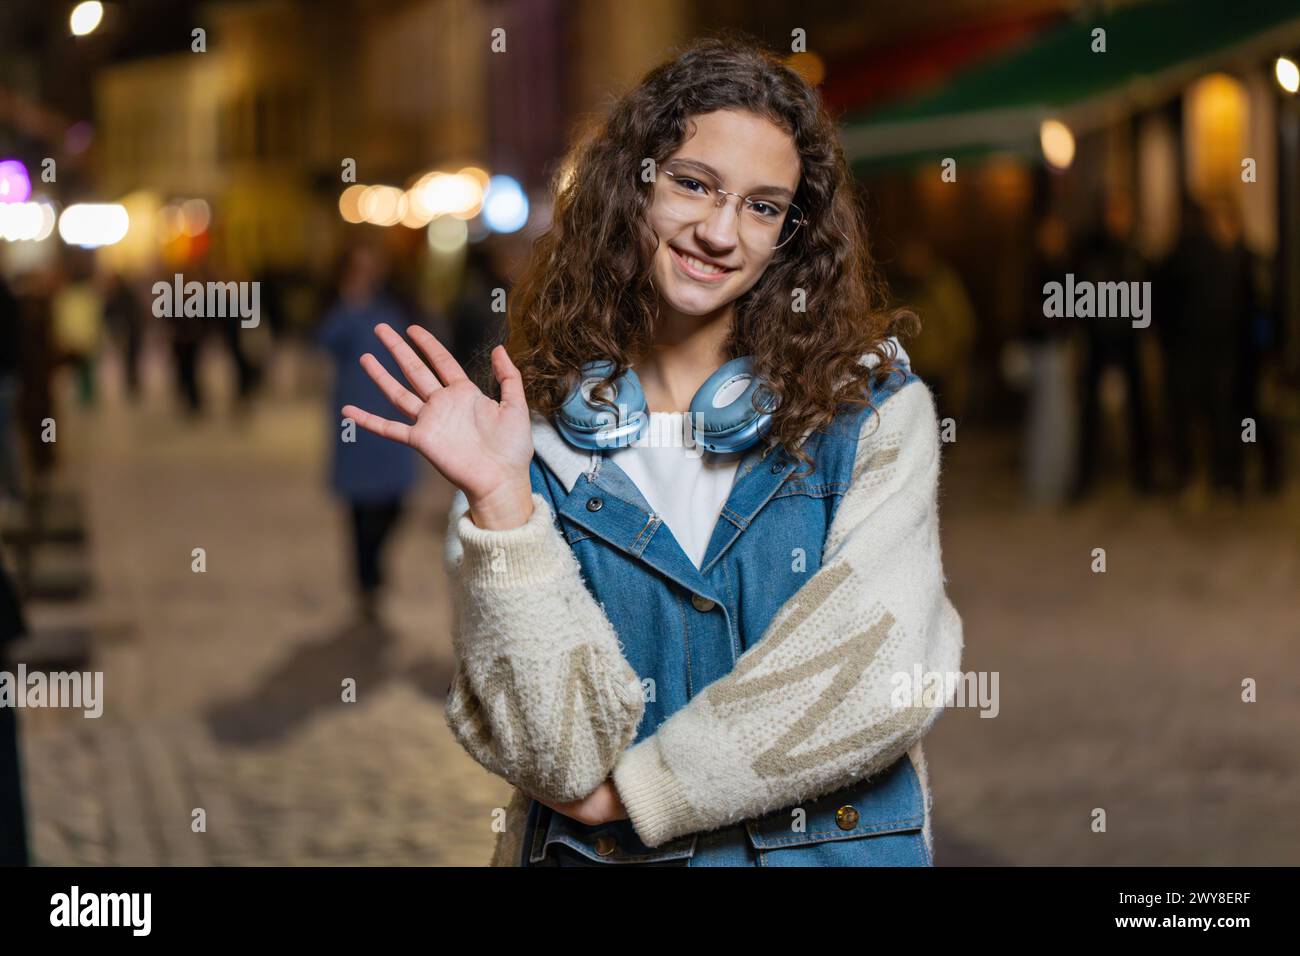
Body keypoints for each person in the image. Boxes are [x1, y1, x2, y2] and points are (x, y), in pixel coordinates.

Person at [344, 35, 963, 867]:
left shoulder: (874, 417)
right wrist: (504, 508)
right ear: (631, 187)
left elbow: (875, 671)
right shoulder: (526, 441)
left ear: (791, 234)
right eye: (693, 184)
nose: (720, 231)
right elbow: (556, 752)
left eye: (763, 206)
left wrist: (642, 794)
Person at [317, 244, 420, 624]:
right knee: (360, 510)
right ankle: (367, 582)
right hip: (356, 425)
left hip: (395, 419)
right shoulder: (344, 310)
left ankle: (375, 565)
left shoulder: (399, 304)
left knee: (395, 504)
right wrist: (350, 301)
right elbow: (324, 342)